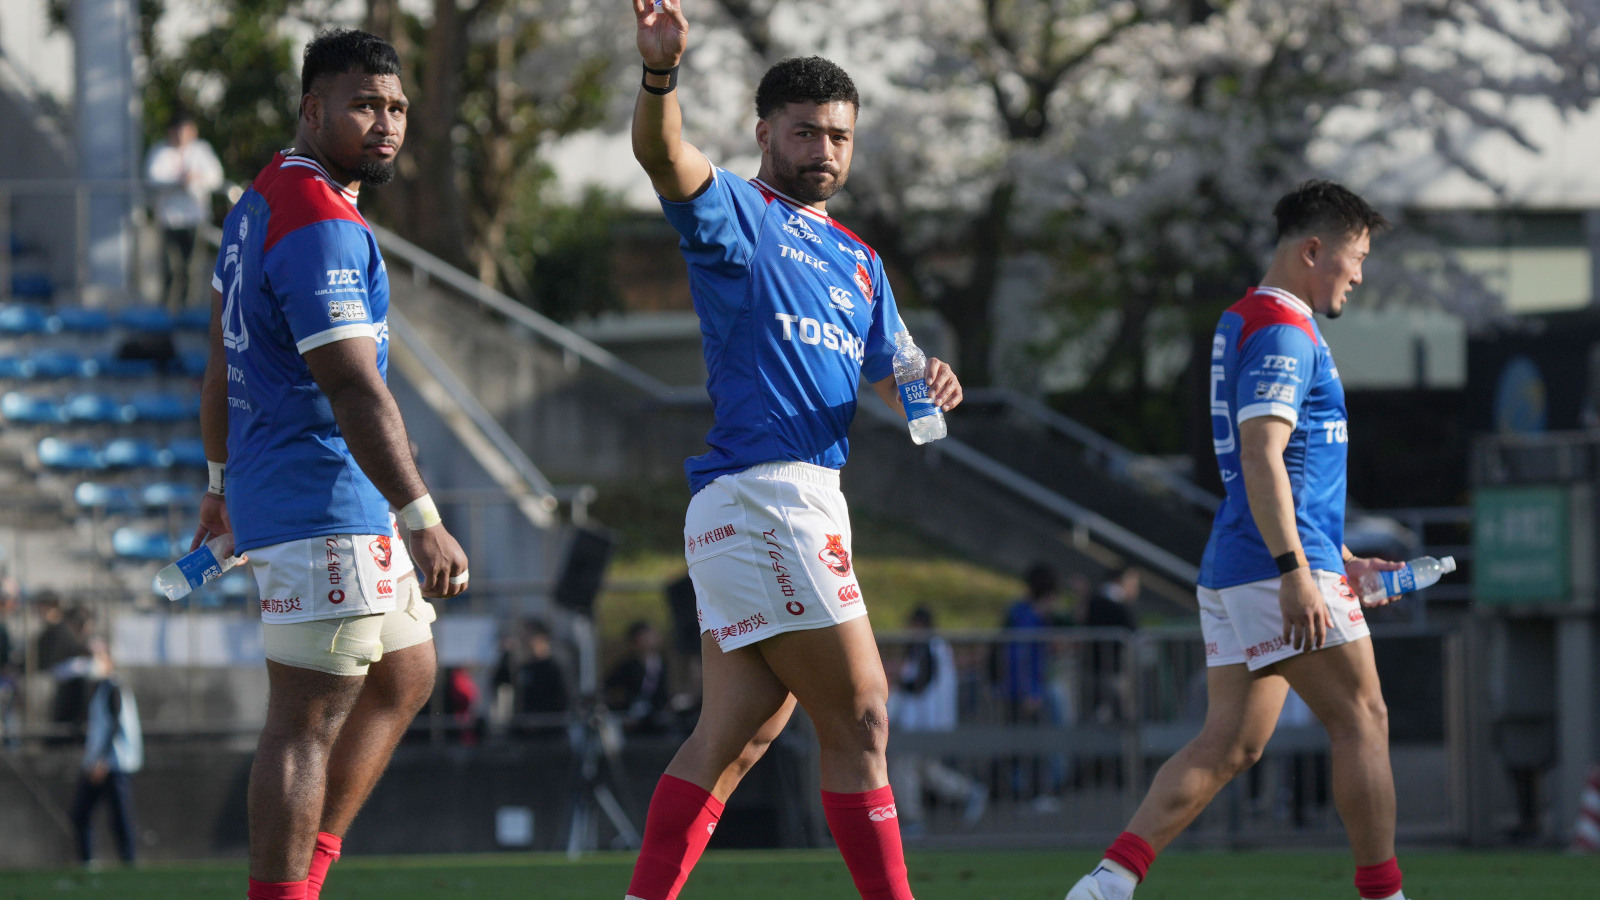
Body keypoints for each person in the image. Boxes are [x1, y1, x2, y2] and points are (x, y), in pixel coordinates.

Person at [624, 2, 963, 898]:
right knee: (862, 716)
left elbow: (893, 373)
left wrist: (929, 381)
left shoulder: (860, 259)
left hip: (798, 500)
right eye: (806, 131)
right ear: (765, 132)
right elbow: (663, 156)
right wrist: (661, 75)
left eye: (840, 135)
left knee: (736, 741)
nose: (825, 149)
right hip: (764, 495)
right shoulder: (738, 212)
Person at [1065, 181, 1410, 900]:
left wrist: (1337, 558)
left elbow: (1285, 466)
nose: (1360, 272)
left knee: (1230, 743)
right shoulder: (1285, 329)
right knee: (1363, 719)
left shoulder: (1245, 319)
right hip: (1272, 565)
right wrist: (1297, 570)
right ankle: (1385, 894)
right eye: (1357, 256)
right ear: (1313, 250)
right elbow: (1261, 454)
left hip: (1241, 560)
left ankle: (1107, 884)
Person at [194, 29, 469, 900]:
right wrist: (423, 515)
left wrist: (216, 488)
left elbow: (218, 361)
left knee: (407, 670)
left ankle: (307, 873)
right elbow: (353, 387)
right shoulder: (315, 218)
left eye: (394, 108)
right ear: (313, 109)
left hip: (310, 496)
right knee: (303, 725)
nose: (385, 124)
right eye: (363, 105)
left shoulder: (259, 202)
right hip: (324, 504)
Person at [886, 606, 986, 834]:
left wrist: (897, 678)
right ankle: (969, 792)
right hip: (927, 725)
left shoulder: (931, 648)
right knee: (927, 770)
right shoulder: (931, 648)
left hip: (925, 726)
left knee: (903, 768)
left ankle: (913, 819)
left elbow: (919, 684)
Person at [70, 642, 142, 867]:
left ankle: (129, 860)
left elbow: (114, 725)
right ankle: (87, 860)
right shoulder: (98, 688)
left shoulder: (113, 687)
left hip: (113, 764)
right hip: (100, 763)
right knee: (80, 813)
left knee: (119, 816)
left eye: (96, 655)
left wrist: (101, 759)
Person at [145, 110, 224, 311]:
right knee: (170, 268)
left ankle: (189, 310)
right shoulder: (160, 151)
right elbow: (153, 178)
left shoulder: (201, 151)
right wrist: (177, 182)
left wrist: (196, 178)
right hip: (169, 219)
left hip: (194, 218)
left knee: (192, 268)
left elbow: (216, 177)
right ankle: (167, 311)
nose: (181, 135)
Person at [1083, 567, 1139, 725]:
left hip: (1092, 667)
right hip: (1113, 670)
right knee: (1121, 718)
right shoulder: (1120, 606)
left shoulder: (1093, 601)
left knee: (1094, 718)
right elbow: (1133, 631)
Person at [605, 621, 672, 734]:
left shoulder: (662, 664)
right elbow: (612, 690)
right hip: (630, 716)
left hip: (654, 717)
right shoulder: (625, 667)